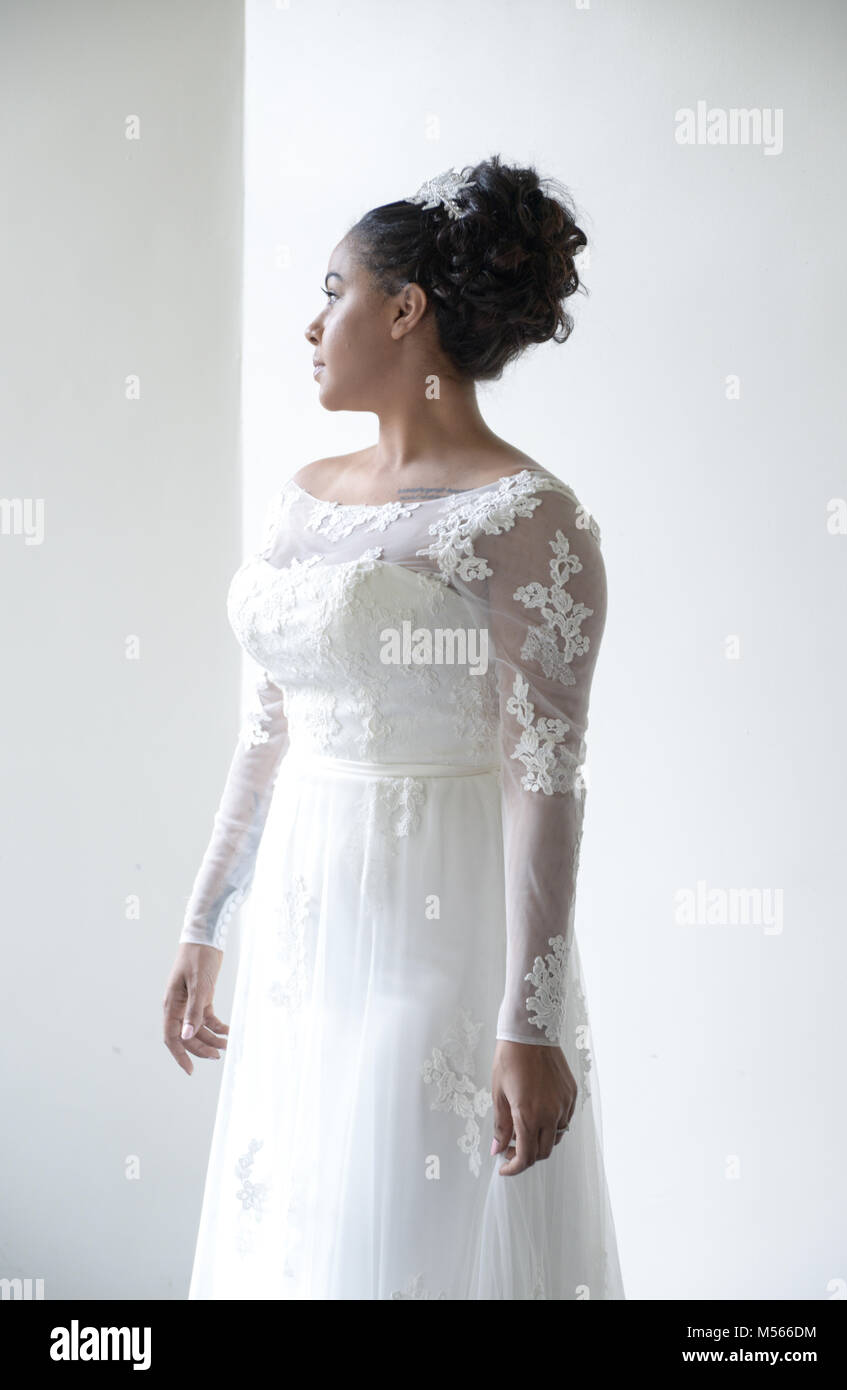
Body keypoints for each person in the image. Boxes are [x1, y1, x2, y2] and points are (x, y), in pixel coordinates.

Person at [163, 155, 624, 1300]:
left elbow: (548, 778)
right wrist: (204, 918)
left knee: (405, 1236)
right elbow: (265, 730)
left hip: (441, 926)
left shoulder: (530, 518)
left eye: (334, 291)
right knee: (303, 1235)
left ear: (406, 308)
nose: (310, 324)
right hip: (303, 937)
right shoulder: (303, 495)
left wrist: (530, 1020)